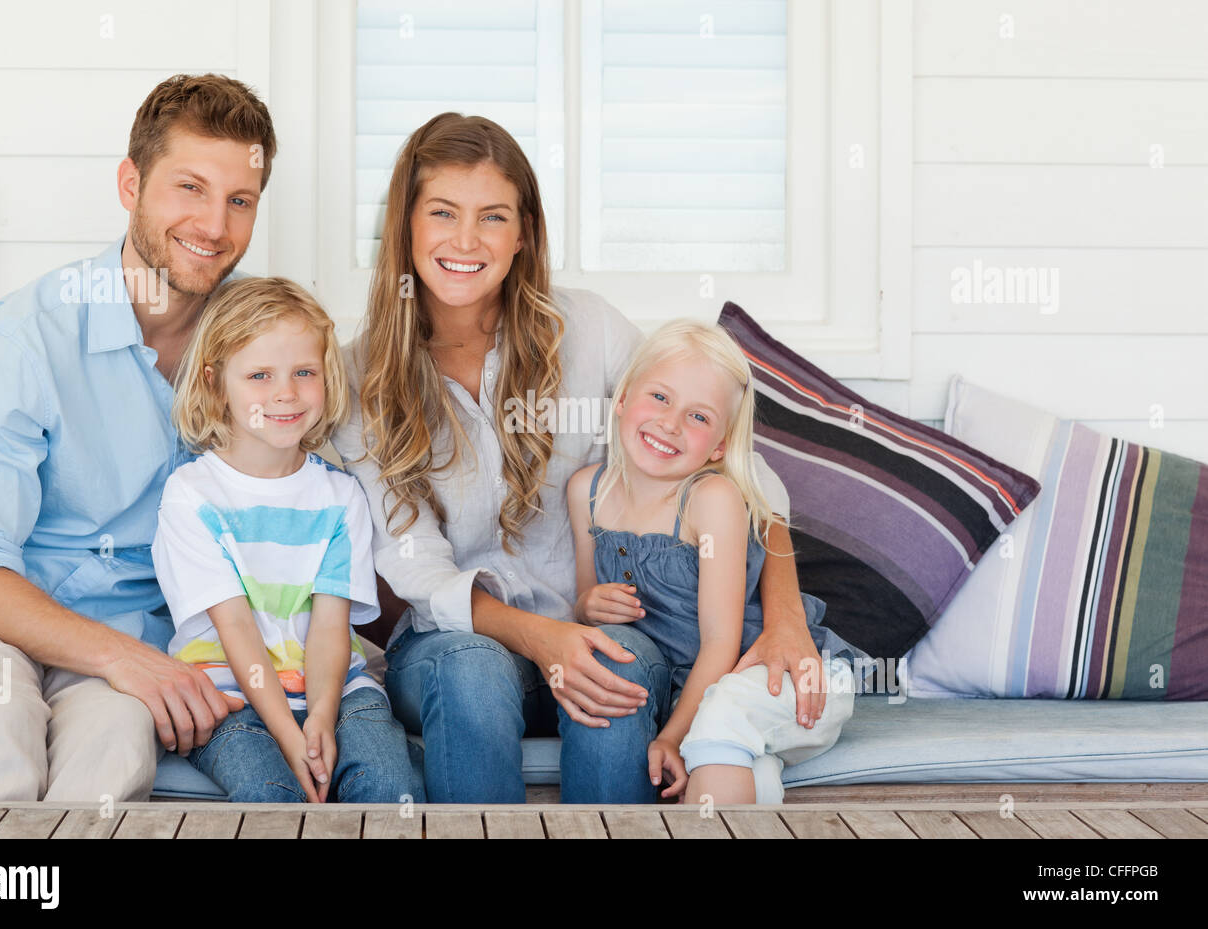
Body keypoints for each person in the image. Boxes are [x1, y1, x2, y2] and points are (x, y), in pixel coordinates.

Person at [332, 112, 837, 804]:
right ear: (406, 226)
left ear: (524, 235)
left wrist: (786, 621)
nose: (465, 239)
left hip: (606, 637)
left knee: (618, 659)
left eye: (494, 217)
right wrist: (542, 637)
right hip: (457, 649)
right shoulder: (360, 376)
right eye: (442, 212)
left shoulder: (590, 330)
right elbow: (416, 565)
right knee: (471, 671)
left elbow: (747, 484)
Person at [0, 74, 275, 802]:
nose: (213, 224)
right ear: (130, 184)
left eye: (240, 200)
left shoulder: (264, 344)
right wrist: (127, 657)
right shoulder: (30, 334)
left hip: (131, 646)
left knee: (112, 751)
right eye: (189, 188)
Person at [152, 277, 423, 803]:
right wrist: (288, 733)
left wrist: (320, 718)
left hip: (338, 690)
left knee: (387, 785)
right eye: (259, 375)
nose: (285, 393)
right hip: (230, 695)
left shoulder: (340, 496)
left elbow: (329, 626)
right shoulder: (193, 495)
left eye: (304, 372)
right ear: (214, 382)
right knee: (271, 795)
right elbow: (236, 632)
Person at [569, 320, 862, 804]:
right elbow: (581, 603)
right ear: (621, 399)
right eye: (659, 397)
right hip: (718, 703)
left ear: (721, 447)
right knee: (735, 764)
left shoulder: (713, 498)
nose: (670, 423)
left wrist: (670, 736)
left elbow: (721, 644)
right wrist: (589, 606)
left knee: (719, 717)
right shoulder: (587, 492)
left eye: (699, 417)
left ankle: (710, 744)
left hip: (783, 682)